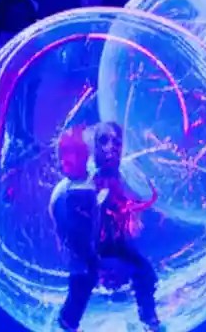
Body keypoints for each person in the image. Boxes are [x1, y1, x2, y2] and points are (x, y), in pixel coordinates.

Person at [52, 123, 162, 332]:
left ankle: (150, 319)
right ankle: (68, 321)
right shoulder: (85, 180)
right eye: (104, 141)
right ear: (94, 146)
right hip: (92, 243)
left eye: (117, 142)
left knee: (145, 272)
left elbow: (135, 206)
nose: (111, 147)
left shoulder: (126, 177)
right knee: (83, 278)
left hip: (116, 241)